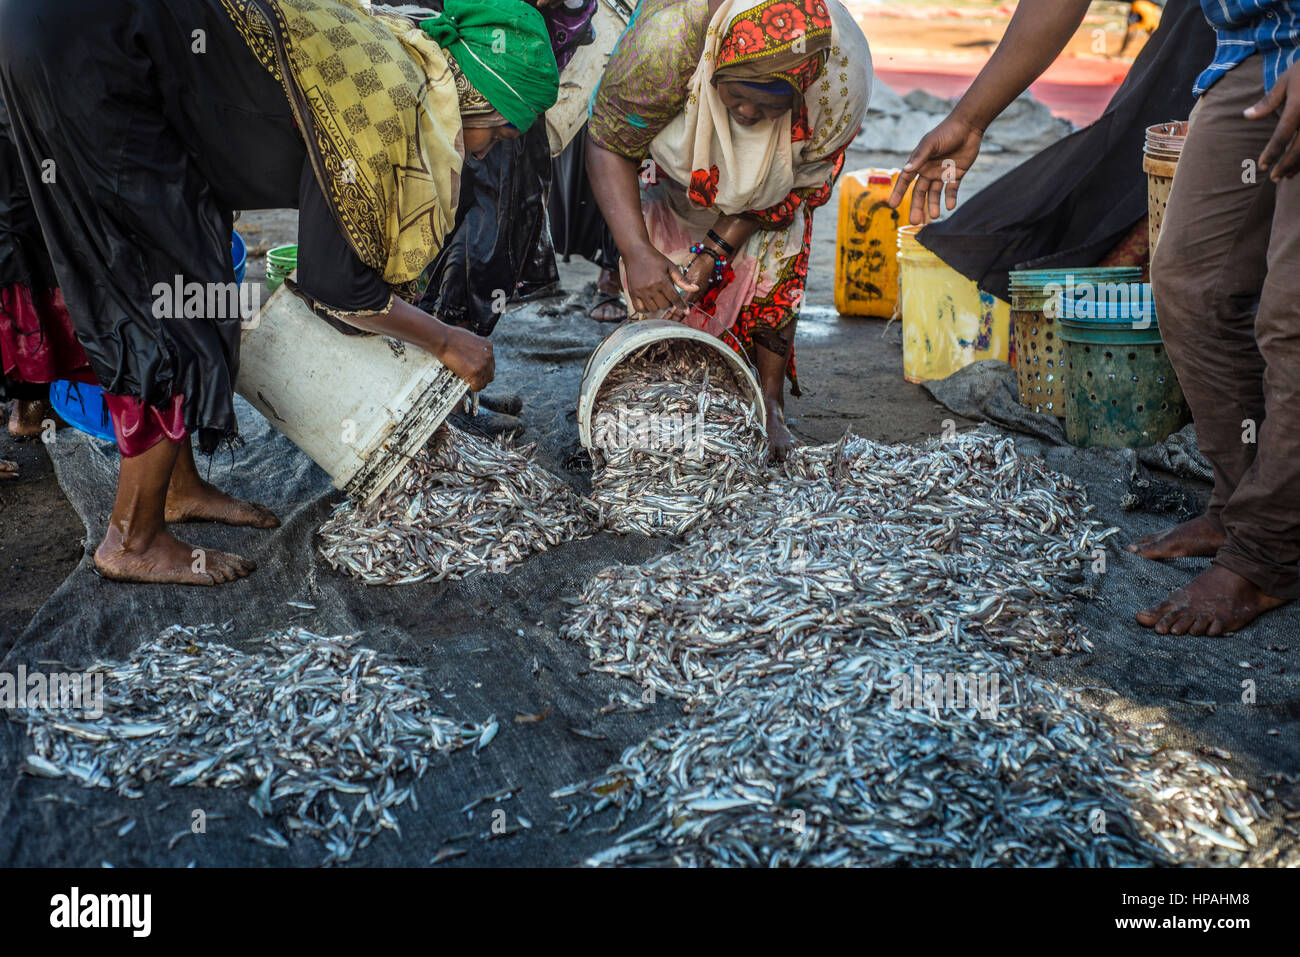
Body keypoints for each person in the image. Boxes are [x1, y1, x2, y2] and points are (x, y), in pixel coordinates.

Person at [0, 0, 557, 584]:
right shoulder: (394, 105)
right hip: (86, 47)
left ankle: (176, 489)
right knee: (171, 300)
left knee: (203, 269)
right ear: (476, 95)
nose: (484, 151)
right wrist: (445, 340)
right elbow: (335, 285)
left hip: (67, 30)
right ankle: (131, 539)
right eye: (495, 133)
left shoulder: (402, 59)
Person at [890, 0, 1300, 636]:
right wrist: (971, 118)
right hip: (1250, 49)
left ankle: (1270, 555)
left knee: (1290, 319)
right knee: (1191, 285)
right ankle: (1239, 505)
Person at [585, 0, 872, 460]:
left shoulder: (838, 83)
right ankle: (659, 383)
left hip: (776, 188)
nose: (746, 110)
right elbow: (609, 143)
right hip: (678, 165)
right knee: (659, 280)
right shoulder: (670, 43)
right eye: (737, 93)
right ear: (717, 63)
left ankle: (770, 404)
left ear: (799, 91)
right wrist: (638, 252)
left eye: (768, 104)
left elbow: (799, 185)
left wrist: (714, 253)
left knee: (775, 269)